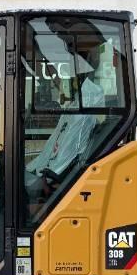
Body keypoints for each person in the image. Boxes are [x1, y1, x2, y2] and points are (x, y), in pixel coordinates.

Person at [23, 53, 105, 214]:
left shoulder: (83, 109)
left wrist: (44, 172)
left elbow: (66, 154)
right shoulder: (73, 108)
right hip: (51, 169)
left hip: (56, 172)